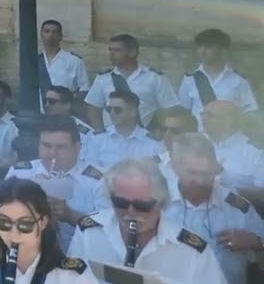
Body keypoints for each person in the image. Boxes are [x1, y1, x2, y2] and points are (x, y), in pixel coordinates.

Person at [67, 158, 228, 284]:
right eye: (121, 203)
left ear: (161, 203)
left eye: (142, 205)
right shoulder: (88, 230)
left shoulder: (194, 251)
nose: (130, 213)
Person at [0, 178, 100, 283]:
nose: (13, 233)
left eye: (25, 225)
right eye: (4, 223)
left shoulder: (72, 276)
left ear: (43, 222)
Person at [164, 133, 264, 284]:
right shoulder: (159, 204)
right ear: (174, 167)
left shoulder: (234, 204)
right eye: (193, 173)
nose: (201, 181)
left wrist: (254, 242)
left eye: (208, 173)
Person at [6, 115, 108, 248]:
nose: (52, 153)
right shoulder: (20, 174)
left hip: (78, 255)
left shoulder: (97, 182)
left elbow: (108, 232)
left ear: (77, 148)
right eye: (46, 145)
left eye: (60, 147)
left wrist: (71, 215)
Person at [84, 34, 178, 130]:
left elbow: (169, 109)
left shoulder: (155, 78)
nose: (111, 54)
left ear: (132, 52)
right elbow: (94, 108)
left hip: (145, 138)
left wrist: (160, 134)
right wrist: (100, 133)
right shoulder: (103, 78)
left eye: (117, 50)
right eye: (110, 50)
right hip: (111, 138)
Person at [177, 29, 257, 119]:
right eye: (200, 46)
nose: (202, 51)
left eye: (208, 47)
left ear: (223, 50)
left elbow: (249, 112)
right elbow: (183, 112)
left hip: (229, 132)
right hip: (199, 132)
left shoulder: (239, 80)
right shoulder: (189, 79)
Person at [89, 90, 163, 170]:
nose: (112, 113)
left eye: (117, 110)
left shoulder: (153, 143)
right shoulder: (97, 139)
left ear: (133, 112)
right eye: (109, 109)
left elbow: (158, 175)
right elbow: (90, 175)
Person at [38, 20, 90, 108]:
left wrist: (69, 99)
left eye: (55, 32)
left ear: (60, 36)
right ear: (41, 35)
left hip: (65, 112)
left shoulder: (74, 61)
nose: (51, 35)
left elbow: (85, 89)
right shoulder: (34, 62)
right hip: (38, 112)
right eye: (47, 31)